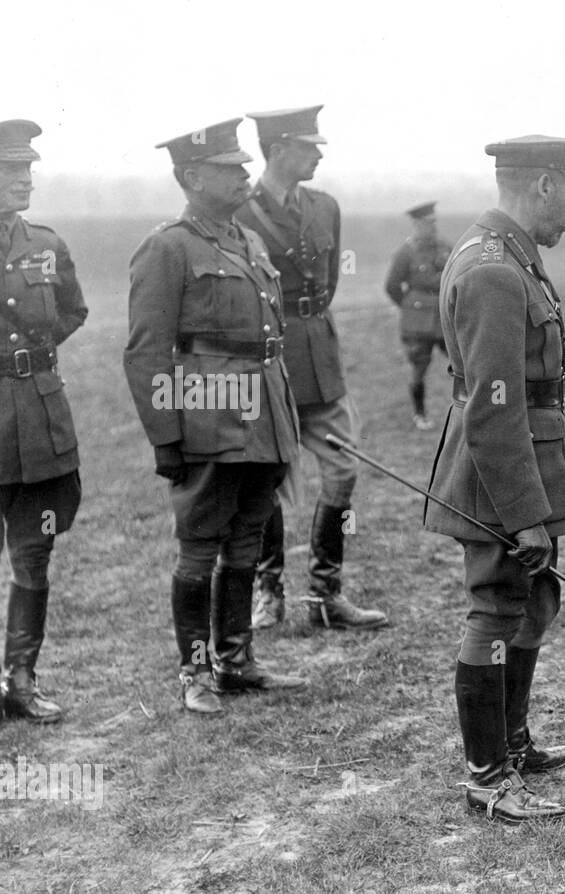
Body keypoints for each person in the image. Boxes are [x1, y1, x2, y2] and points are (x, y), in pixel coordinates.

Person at [426, 135, 565, 824]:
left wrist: (551, 359)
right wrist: (523, 513)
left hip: (522, 461)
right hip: (503, 472)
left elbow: (502, 365)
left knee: (532, 602)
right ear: (545, 185)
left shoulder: (511, 255)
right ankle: (488, 777)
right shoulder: (495, 267)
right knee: (496, 608)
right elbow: (492, 410)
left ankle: (512, 744)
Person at [124, 119, 306, 714]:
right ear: (192, 177)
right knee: (200, 544)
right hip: (208, 414)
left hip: (264, 413)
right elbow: (146, 352)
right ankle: (196, 674)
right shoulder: (168, 247)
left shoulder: (247, 241)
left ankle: (237, 660)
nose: (244, 174)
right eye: (230, 168)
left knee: (249, 534)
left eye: (242, 165)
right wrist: (166, 437)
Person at [237, 106, 388, 632]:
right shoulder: (237, 212)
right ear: (279, 150)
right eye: (309, 145)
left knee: (343, 470)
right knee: (264, 480)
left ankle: (326, 594)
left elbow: (327, 287)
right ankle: (268, 590)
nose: (319, 153)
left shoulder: (326, 207)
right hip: (265, 365)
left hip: (319, 359)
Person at [0, 120, 87, 723]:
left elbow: (75, 311)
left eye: (29, 169)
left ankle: (21, 680)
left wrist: (27, 360)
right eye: (12, 171)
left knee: (34, 555)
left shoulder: (47, 245)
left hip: (38, 419)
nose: (25, 180)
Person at [384, 201, 451, 429]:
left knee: (459, 363)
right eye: (426, 223)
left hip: (444, 318)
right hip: (418, 322)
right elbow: (392, 285)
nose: (432, 227)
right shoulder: (406, 252)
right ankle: (420, 414)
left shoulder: (445, 247)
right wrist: (409, 306)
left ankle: (466, 410)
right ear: (416, 225)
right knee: (418, 369)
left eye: (434, 223)